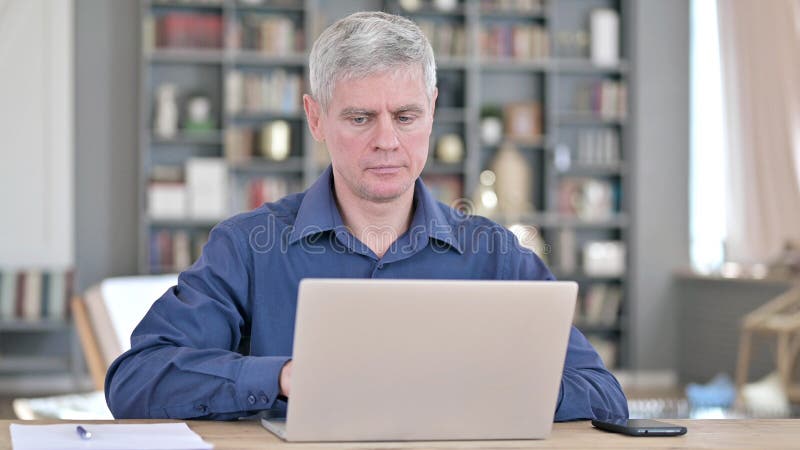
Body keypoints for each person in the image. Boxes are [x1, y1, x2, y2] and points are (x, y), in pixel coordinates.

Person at [106, 11, 628, 422]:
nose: (387, 141)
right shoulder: (247, 246)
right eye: (360, 118)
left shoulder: (496, 256)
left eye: (406, 116)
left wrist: (483, 389)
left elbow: (603, 394)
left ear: (432, 111)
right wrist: (283, 377)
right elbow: (136, 379)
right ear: (316, 118)